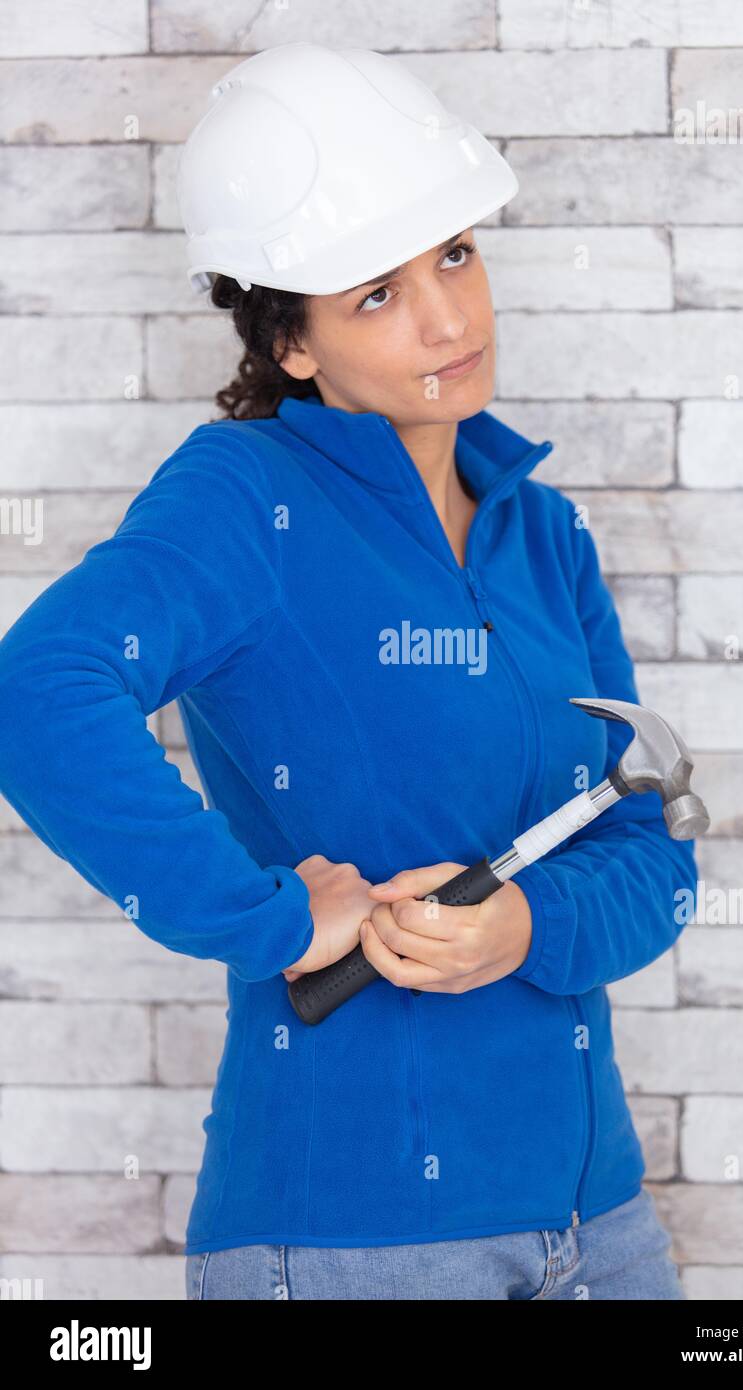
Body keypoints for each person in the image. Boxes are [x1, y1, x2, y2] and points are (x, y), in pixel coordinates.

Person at [0, 43, 695, 1300]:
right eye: (374, 294)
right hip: (353, 1243)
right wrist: (264, 915)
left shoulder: (540, 528)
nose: (446, 316)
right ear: (293, 344)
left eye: (454, 255)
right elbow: (40, 689)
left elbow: (652, 848)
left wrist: (525, 927)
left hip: (600, 1224)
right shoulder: (243, 495)